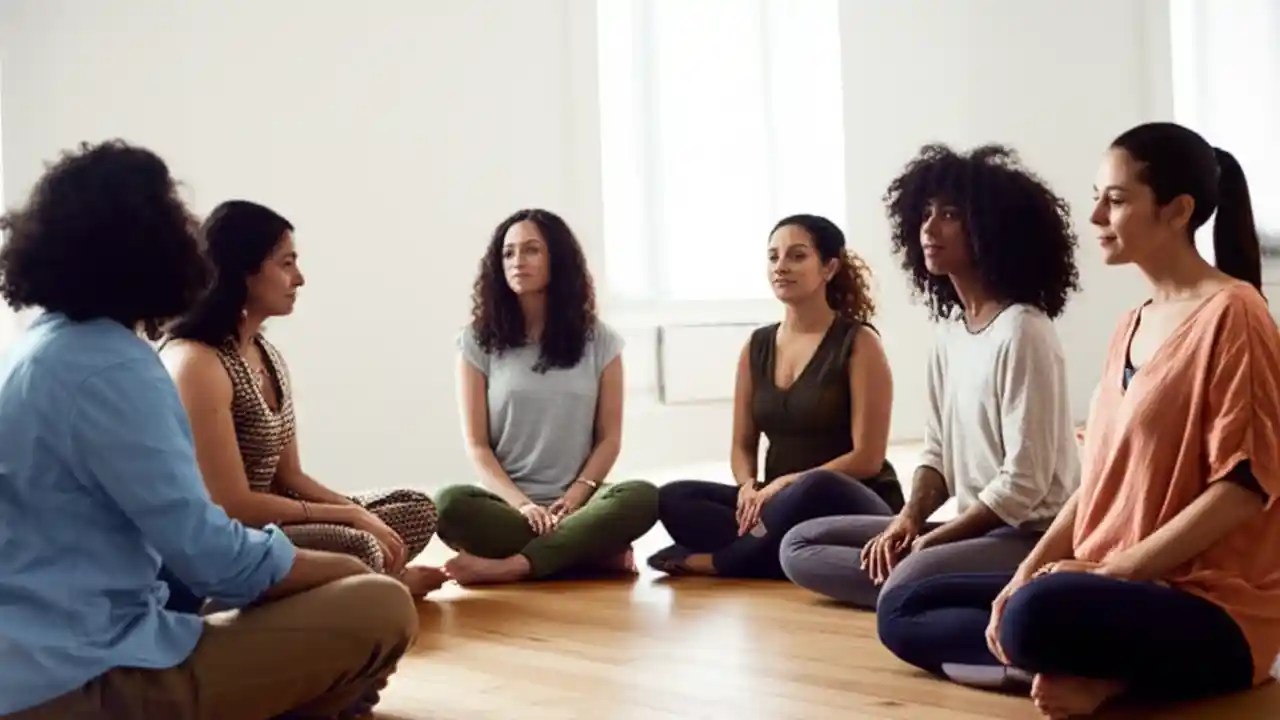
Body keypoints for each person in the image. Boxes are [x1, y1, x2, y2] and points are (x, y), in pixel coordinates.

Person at [0, 140, 416, 719]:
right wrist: (347, 568)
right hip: (79, 679)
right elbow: (212, 551)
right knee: (380, 605)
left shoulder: (33, 349)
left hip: (37, 662)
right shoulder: (122, 366)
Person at [877, 122, 1280, 719]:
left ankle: (1094, 670)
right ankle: (1073, 668)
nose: (1095, 215)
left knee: (1036, 614)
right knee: (902, 606)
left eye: (1115, 200)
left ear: (1178, 211)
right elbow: (1094, 487)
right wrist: (1029, 569)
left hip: (1206, 603)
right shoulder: (1132, 324)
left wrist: (1116, 572)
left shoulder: (1236, 314)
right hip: (1102, 579)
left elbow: (1244, 488)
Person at [779, 145, 1082, 608]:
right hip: (975, 526)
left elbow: (1024, 485)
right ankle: (932, 583)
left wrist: (934, 543)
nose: (928, 228)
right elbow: (937, 452)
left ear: (989, 228)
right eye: (924, 213)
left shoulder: (1023, 331)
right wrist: (909, 521)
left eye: (950, 215)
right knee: (800, 543)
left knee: (913, 569)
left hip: (1029, 536)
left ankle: (952, 584)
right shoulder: (950, 334)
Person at [161, 200, 445, 598]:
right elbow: (230, 505)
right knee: (360, 544)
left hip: (278, 519)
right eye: (286, 263)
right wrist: (348, 517)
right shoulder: (197, 363)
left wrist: (360, 513)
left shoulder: (267, 356)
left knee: (415, 509)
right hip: (230, 537)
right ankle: (383, 584)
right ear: (244, 270)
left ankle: (361, 582)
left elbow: (289, 477)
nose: (300, 278)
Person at [647, 214, 902, 578]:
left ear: (829, 268)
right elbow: (742, 444)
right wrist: (749, 488)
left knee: (815, 483)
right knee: (673, 497)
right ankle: (772, 552)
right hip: (776, 505)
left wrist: (787, 482)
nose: (781, 267)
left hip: (848, 498)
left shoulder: (859, 343)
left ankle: (725, 561)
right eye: (773, 257)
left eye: (797, 256)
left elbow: (867, 458)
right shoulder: (757, 345)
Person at [434, 208, 658, 584]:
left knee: (642, 496)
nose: (517, 261)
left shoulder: (600, 341)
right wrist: (522, 506)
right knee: (449, 504)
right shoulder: (476, 342)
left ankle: (514, 565)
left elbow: (609, 439)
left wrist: (574, 499)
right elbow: (477, 445)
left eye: (531, 250)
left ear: (558, 258)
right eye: (508, 253)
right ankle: (586, 551)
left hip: (581, 502)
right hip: (509, 505)